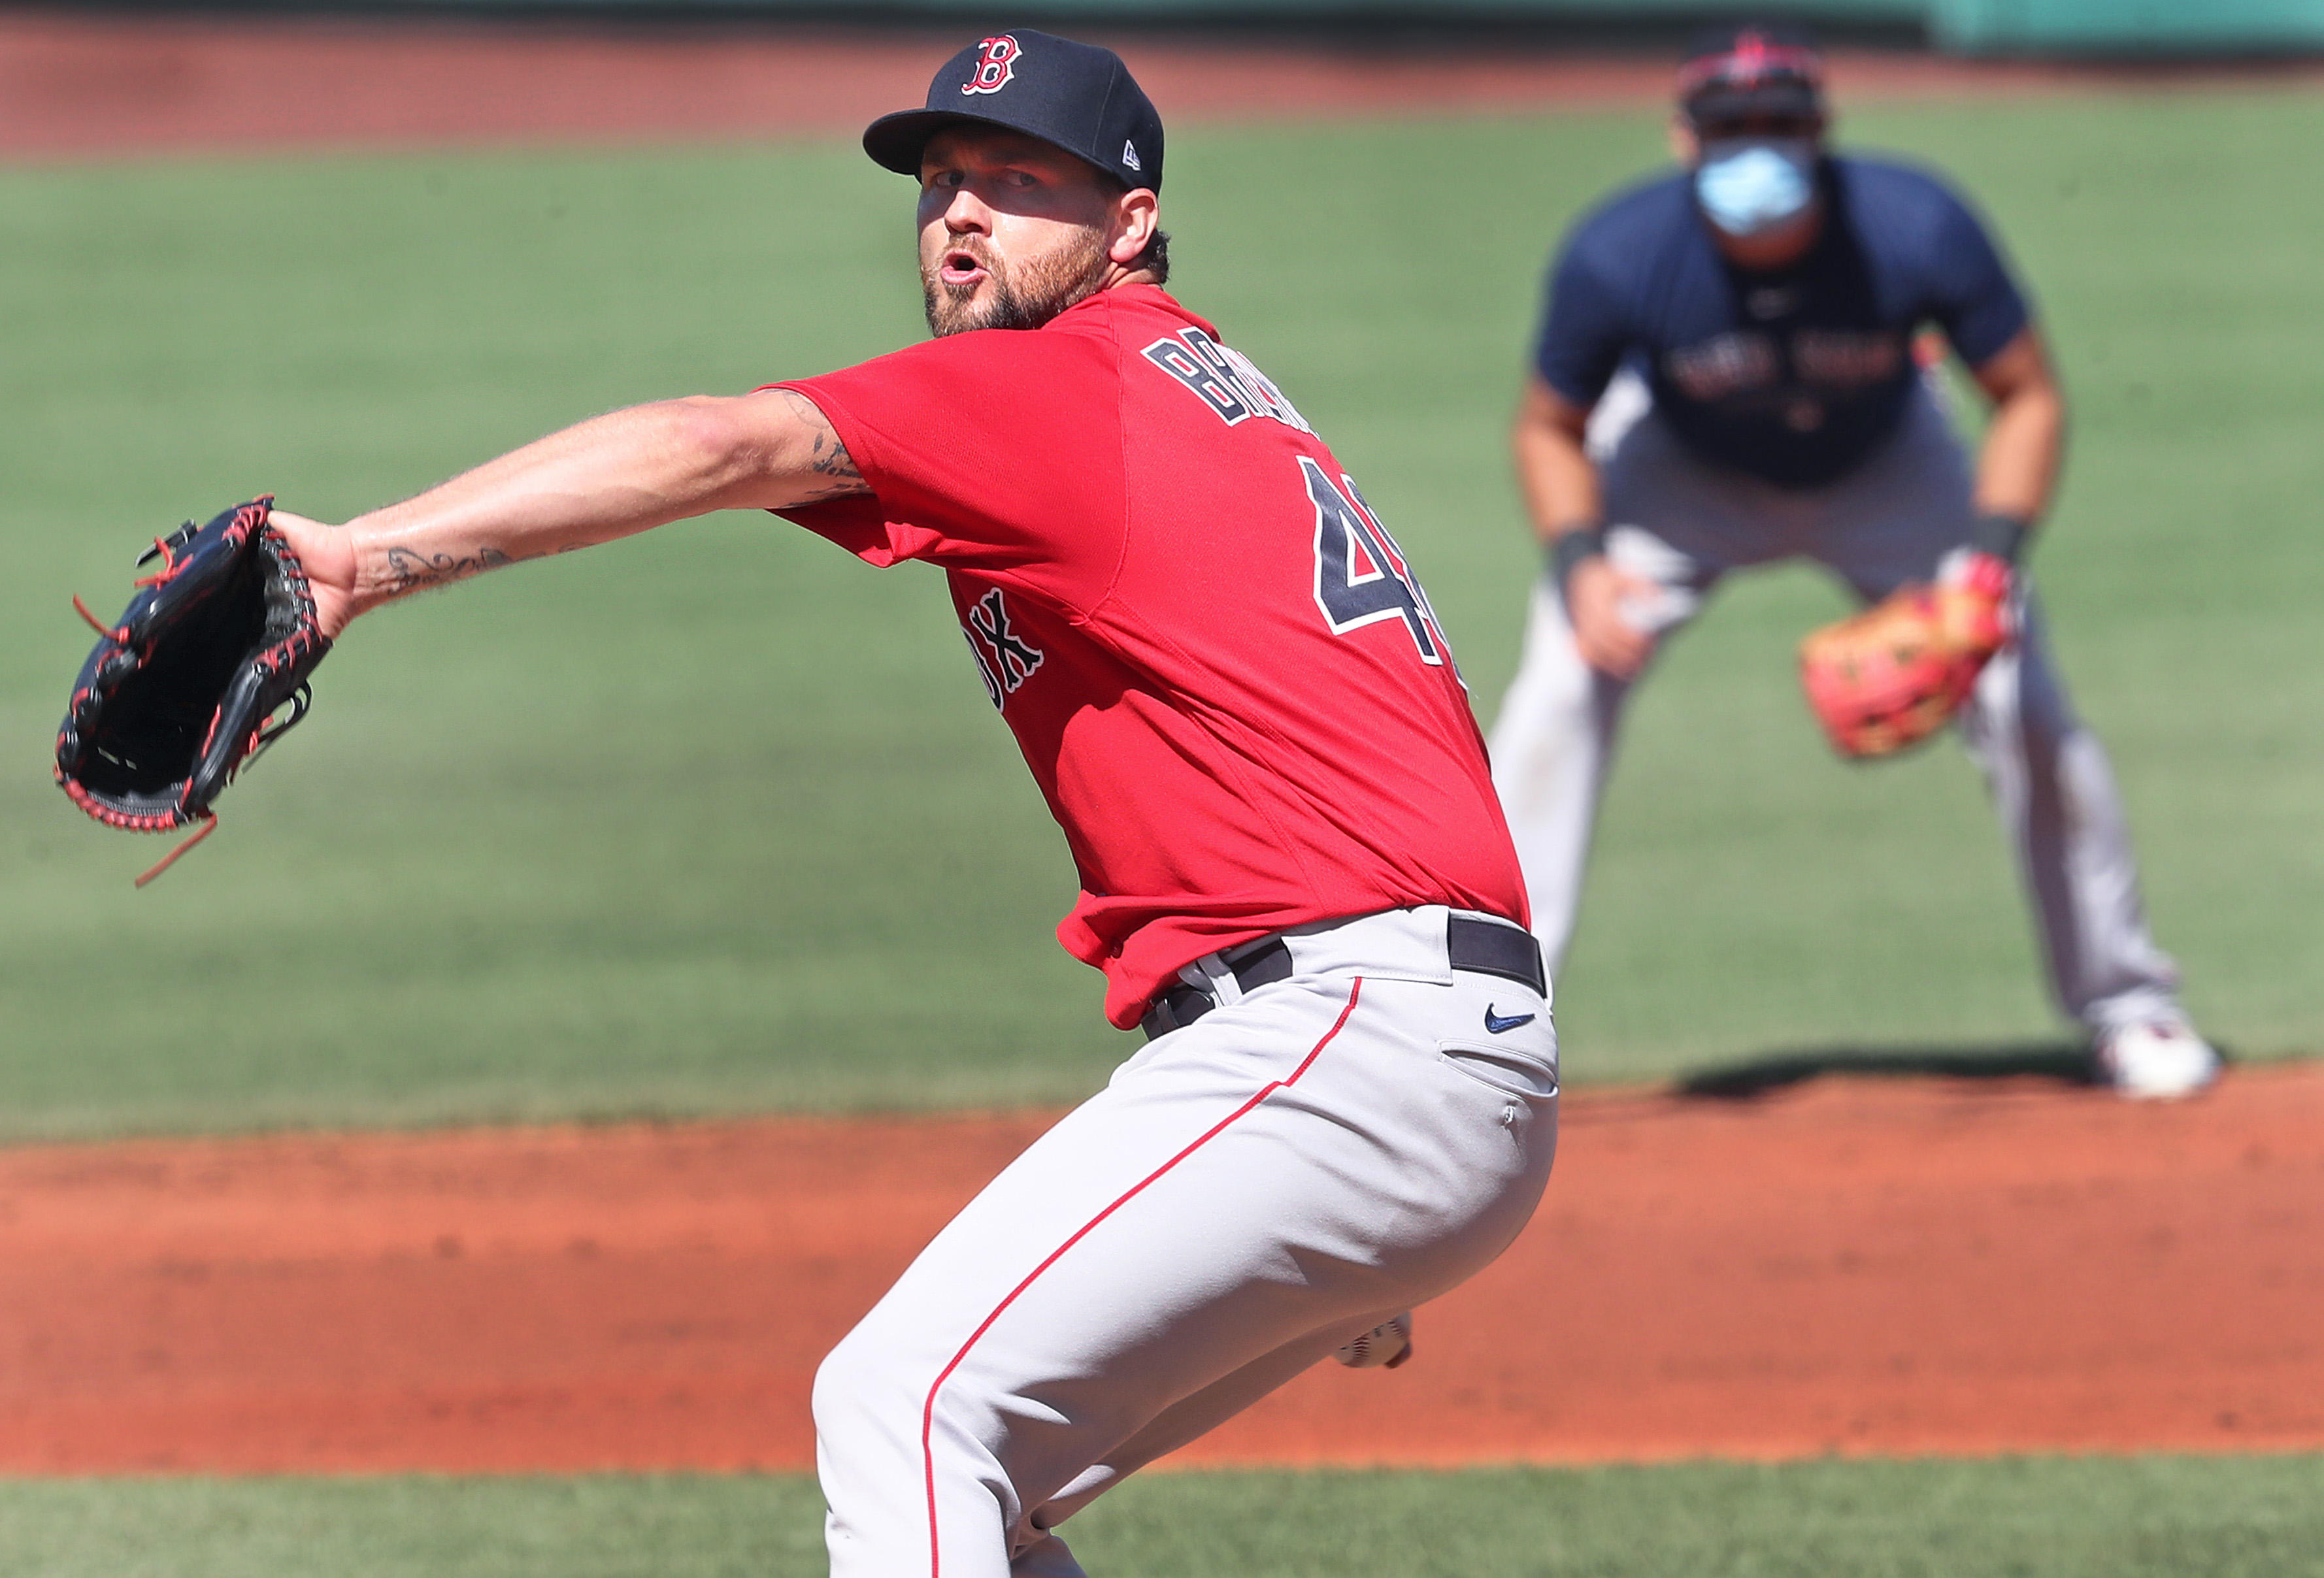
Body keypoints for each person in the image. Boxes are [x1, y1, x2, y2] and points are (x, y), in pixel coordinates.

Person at [269, 31, 1558, 1578]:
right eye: (941, 182)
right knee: (978, 1489)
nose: (960, 213)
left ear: (1127, 224)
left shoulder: (1062, 380)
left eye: (1019, 182)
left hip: (1346, 1040)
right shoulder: (1201, 394)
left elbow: (719, 443)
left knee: (905, 1408)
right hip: (1391, 1050)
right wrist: (1370, 1172)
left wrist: (362, 559)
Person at [1486, 22, 2219, 1100]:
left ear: (1822, 129)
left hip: (1890, 468)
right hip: (1678, 477)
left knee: (2026, 703)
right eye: (1732, 125)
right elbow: (1548, 426)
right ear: (1684, 140)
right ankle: (1490, 1022)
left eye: (1780, 123)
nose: (1757, 146)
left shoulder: (1916, 226)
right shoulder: (1620, 253)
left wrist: (1989, 561)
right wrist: (1584, 563)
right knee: (1555, 696)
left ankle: (2130, 1005)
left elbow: (2028, 396)